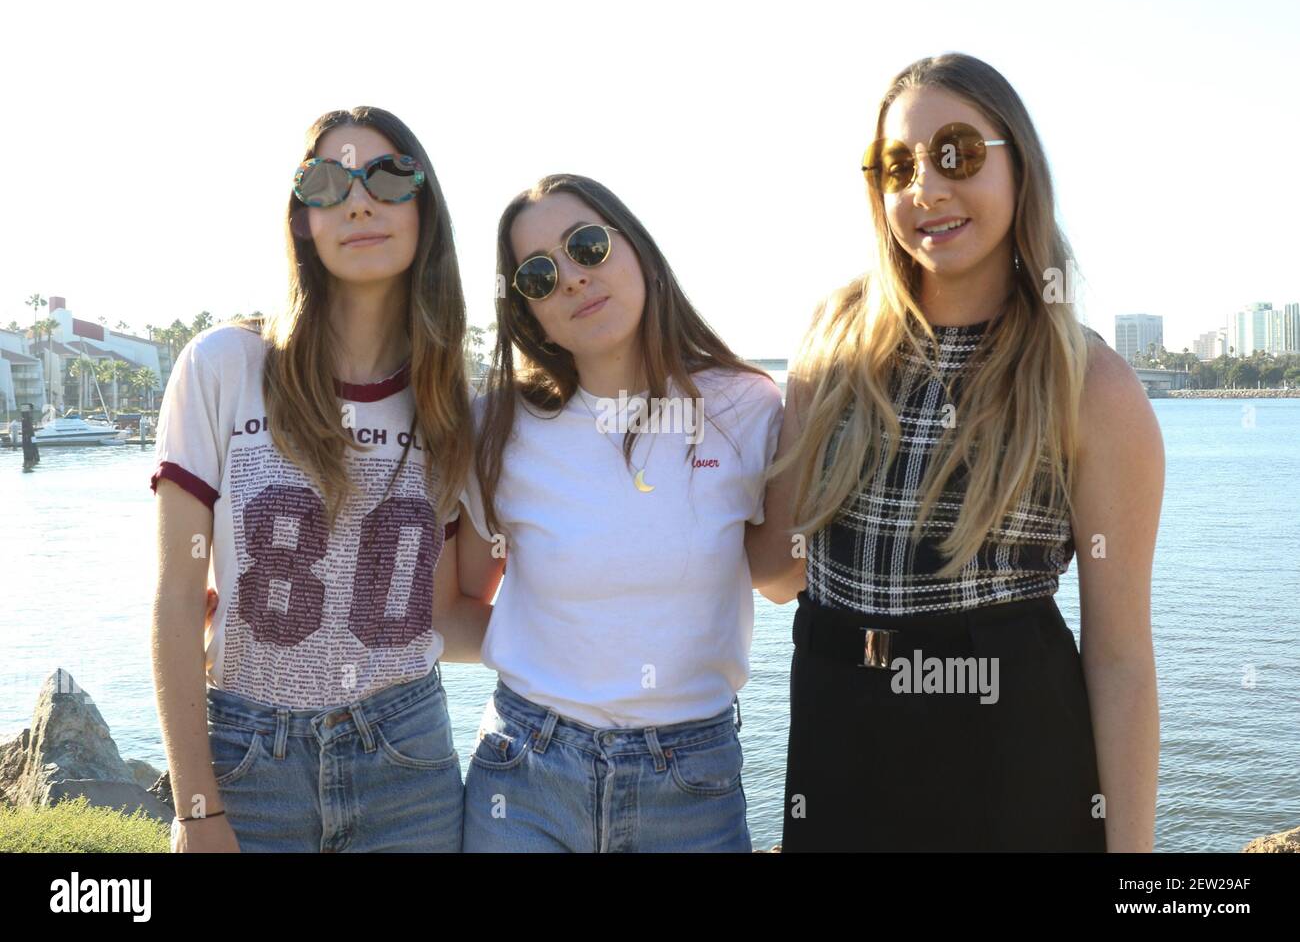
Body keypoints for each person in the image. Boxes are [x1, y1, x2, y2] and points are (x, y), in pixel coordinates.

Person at [747, 53, 1163, 851]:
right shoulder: (832, 348)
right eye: (896, 166)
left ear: (1021, 167)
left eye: (958, 154)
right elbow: (777, 574)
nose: (926, 189)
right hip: (841, 743)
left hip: (1016, 761)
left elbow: (1119, 659)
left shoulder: (1086, 381)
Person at [150, 106, 489, 852]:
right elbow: (179, 595)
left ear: (425, 208)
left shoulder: (452, 406)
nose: (360, 200)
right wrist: (196, 808)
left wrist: (609, 646)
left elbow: (435, 614)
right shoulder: (223, 367)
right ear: (302, 219)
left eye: (390, 176)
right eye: (328, 182)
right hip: (248, 756)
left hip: (407, 757)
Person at [455, 174, 784, 852]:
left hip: (691, 781)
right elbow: (454, 607)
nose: (572, 278)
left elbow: (781, 575)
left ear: (637, 248)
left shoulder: (747, 407)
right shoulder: (495, 427)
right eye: (539, 276)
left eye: (588, 246)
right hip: (524, 772)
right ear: (528, 315)